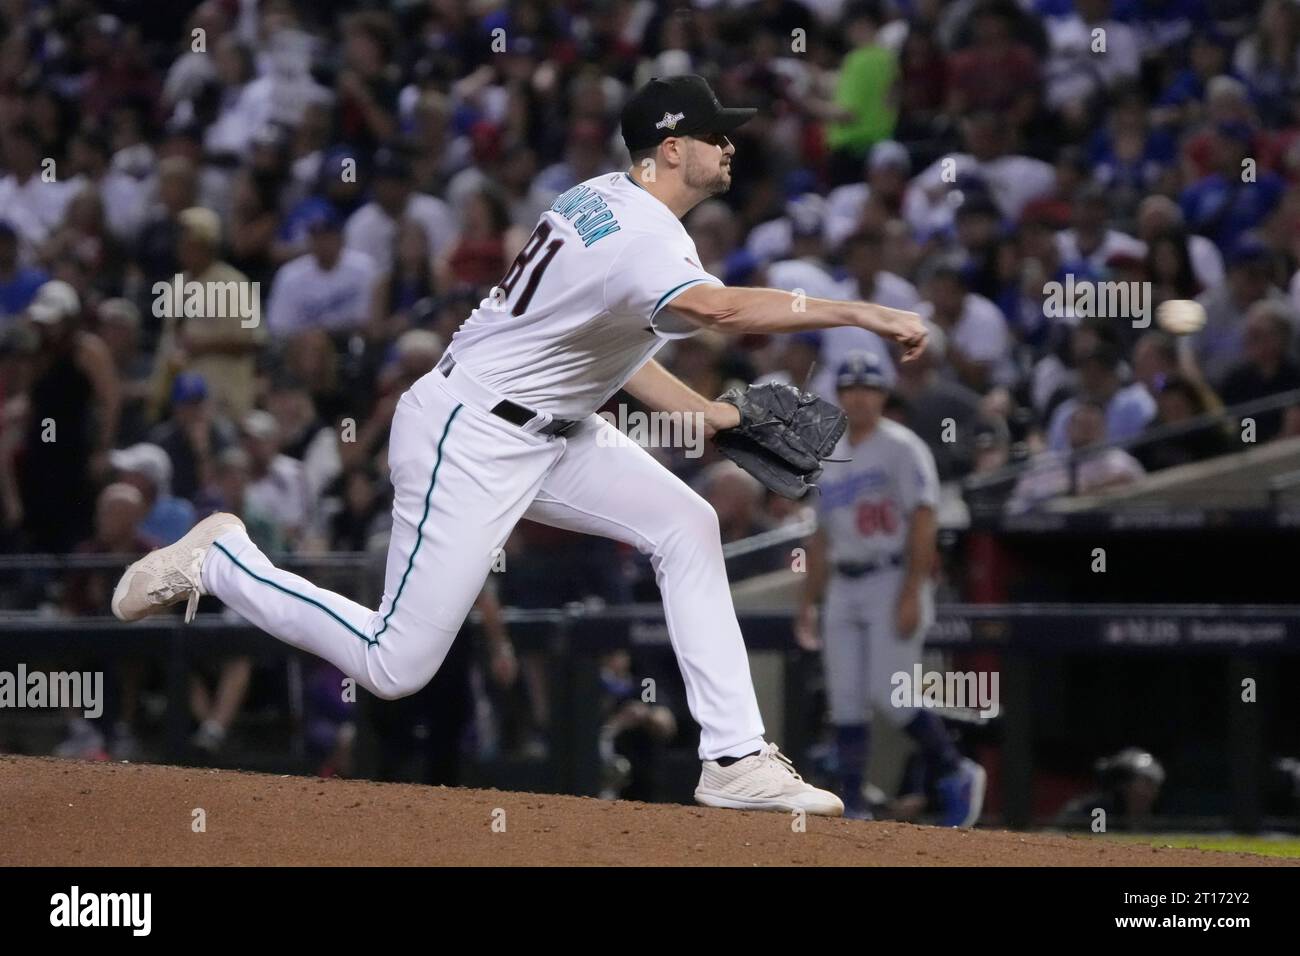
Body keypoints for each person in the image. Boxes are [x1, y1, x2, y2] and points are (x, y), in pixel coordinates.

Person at [113, 74, 928, 816]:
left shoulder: (603, 198)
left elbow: (618, 345)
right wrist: (861, 312)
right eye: (718, 135)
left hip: (551, 429)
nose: (731, 146)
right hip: (467, 438)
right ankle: (224, 560)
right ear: (672, 148)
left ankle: (734, 756)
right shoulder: (645, 235)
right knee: (395, 665)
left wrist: (711, 417)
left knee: (688, 524)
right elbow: (719, 313)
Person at [794, 352, 984, 824]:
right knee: (845, 698)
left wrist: (911, 591)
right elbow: (819, 537)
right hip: (845, 580)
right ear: (840, 397)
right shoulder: (827, 454)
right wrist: (807, 604)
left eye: (869, 388)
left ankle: (956, 768)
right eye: (851, 389)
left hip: (891, 575)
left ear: (882, 395)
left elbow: (924, 520)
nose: (859, 397)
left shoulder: (903, 447)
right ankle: (853, 803)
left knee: (892, 695)